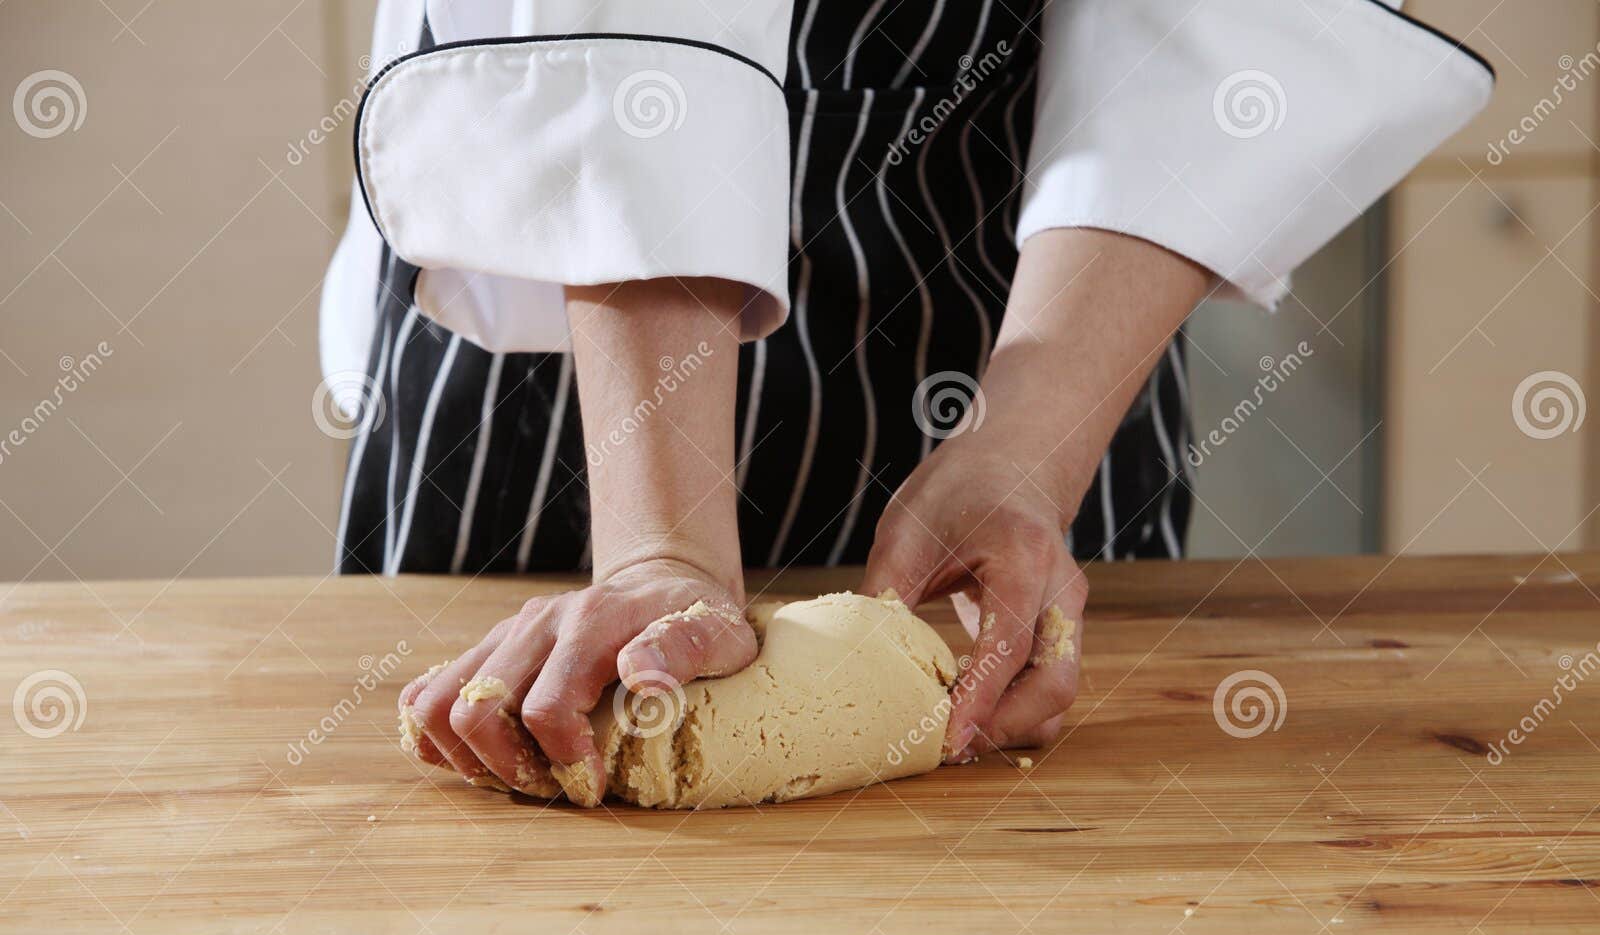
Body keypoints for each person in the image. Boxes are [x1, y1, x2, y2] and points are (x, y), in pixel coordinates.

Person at [321, 1, 1492, 806]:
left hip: (1043, 277)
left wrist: (1027, 447)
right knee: (551, 737)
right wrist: (653, 549)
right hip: (578, 284)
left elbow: (1225, 29)